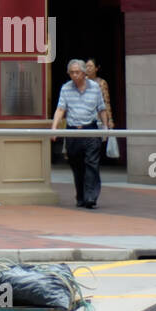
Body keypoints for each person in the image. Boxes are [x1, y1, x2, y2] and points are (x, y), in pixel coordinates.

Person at [50, 59, 109, 208]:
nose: (74, 75)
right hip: (72, 131)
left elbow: (101, 108)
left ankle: (91, 197)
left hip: (90, 129)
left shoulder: (95, 87)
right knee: (77, 165)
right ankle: (81, 196)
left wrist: (105, 127)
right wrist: (54, 128)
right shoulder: (66, 88)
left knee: (91, 163)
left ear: (84, 73)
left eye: (77, 72)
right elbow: (60, 109)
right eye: (71, 72)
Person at [84, 60, 114, 131]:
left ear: (96, 68)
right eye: (86, 66)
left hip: (98, 117)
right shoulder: (81, 82)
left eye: (90, 66)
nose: (88, 68)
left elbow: (106, 102)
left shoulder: (102, 83)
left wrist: (110, 119)